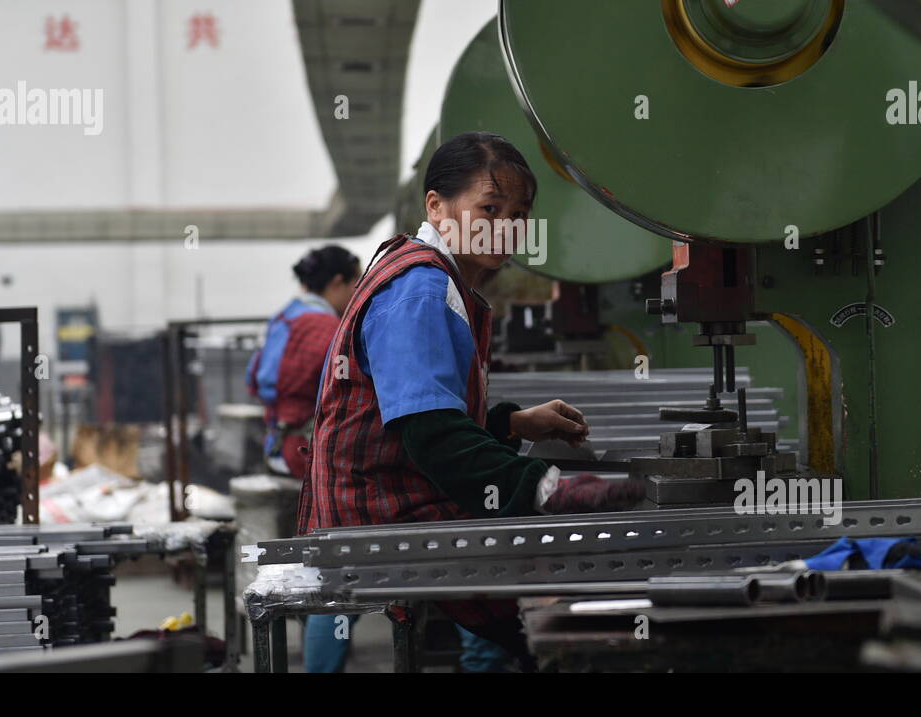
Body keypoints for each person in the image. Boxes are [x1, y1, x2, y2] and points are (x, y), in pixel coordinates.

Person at [299, 131, 644, 671]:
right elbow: (431, 434)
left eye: (519, 212)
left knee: (548, 618)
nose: (504, 226)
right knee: (560, 613)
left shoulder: (433, 278)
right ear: (436, 206)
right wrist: (547, 488)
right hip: (384, 509)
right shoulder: (420, 288)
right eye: (489, 207)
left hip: (395, 494)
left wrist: (512, 422)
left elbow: (423, 407)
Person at [247, 245, 359, 479]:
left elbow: (253, 380)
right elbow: (347, 388)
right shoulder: (325, 327)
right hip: (305, 452)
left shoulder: (285, 316)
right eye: (355, 282)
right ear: (337, 282)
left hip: (276, 442)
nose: (358, 292)